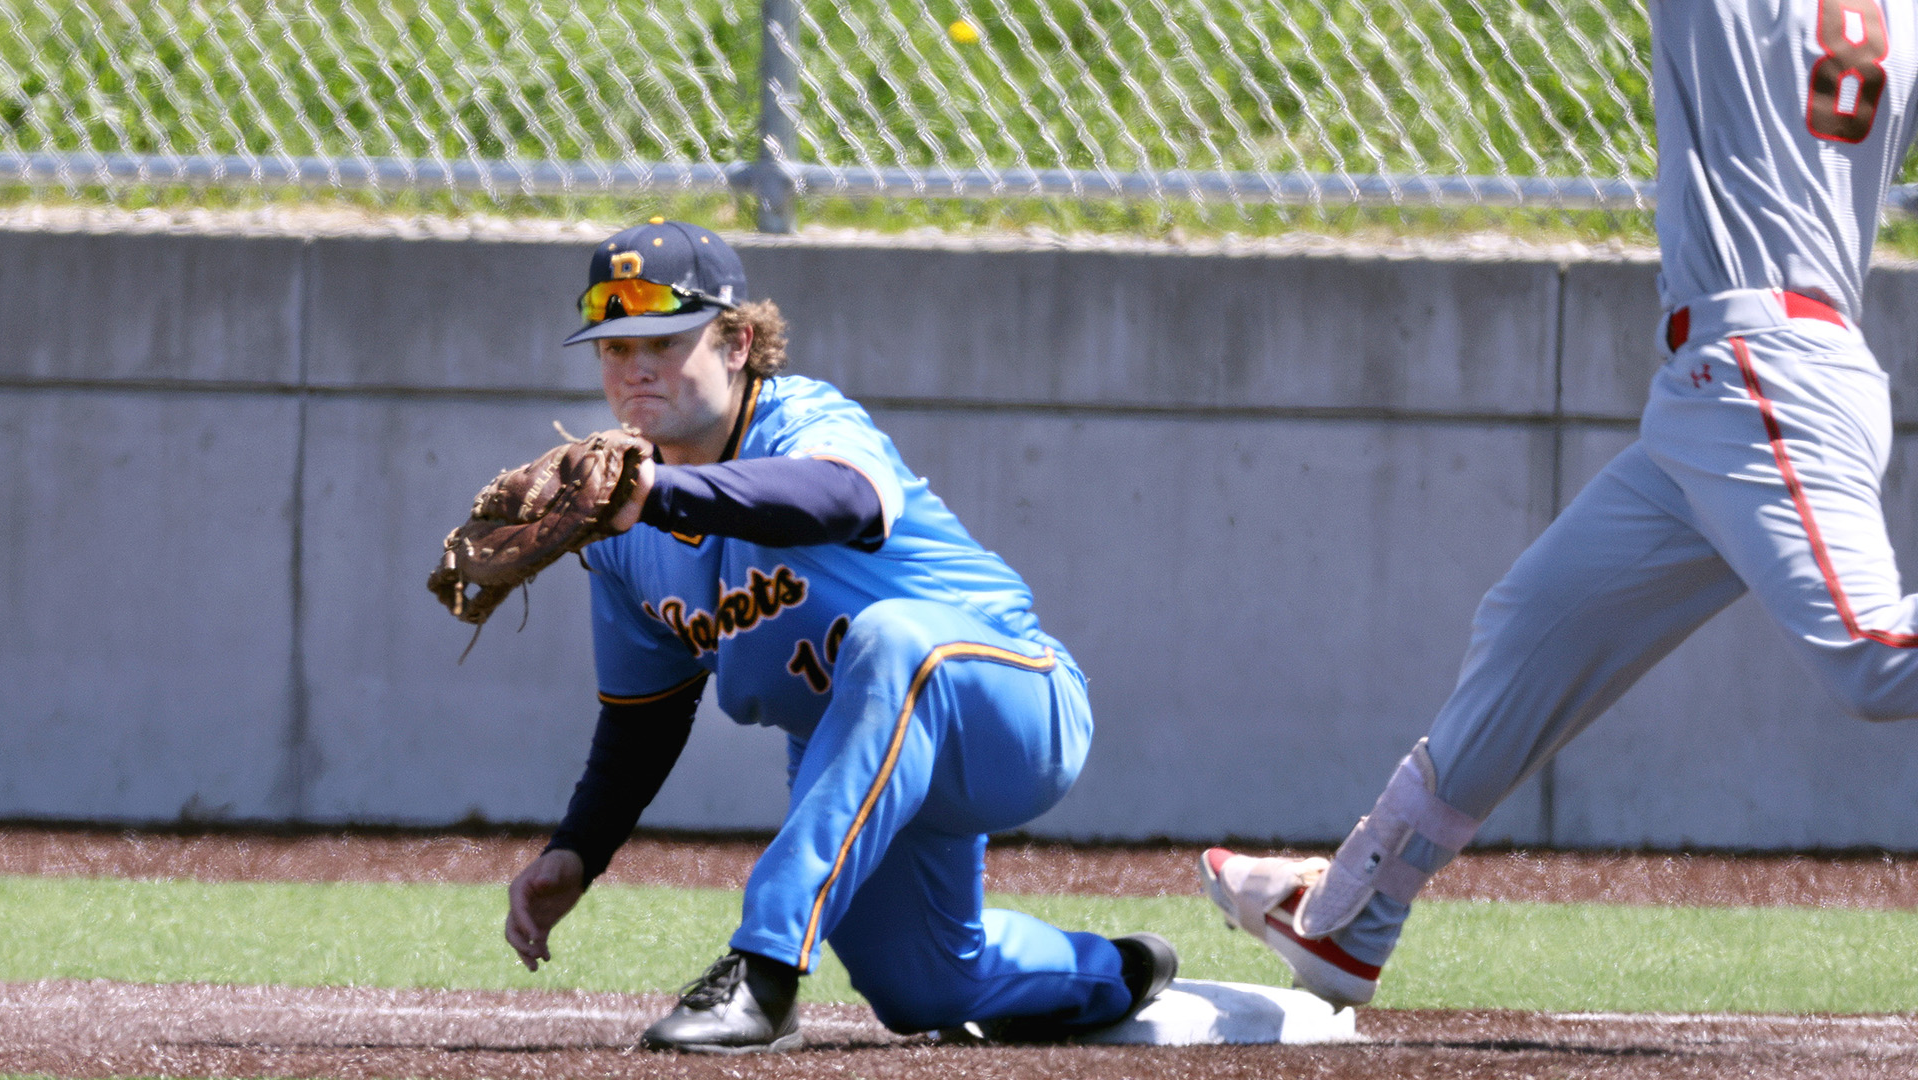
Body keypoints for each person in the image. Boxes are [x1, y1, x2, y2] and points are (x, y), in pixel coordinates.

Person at [1203, 0, 1918, 1008]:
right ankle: (1356, 919)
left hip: (1765, 379)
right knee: (1535, 623)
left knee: (1872, 656)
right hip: (1723, 392)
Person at [500, 218, 1176, 1053]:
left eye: (666, 340)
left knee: (894, 640)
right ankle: (1116, 973)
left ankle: (763, 972)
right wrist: (577, 852)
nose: (636, 367)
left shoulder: (802, 416)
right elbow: (646, 712)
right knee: (924, 985)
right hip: (868, 761)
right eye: (613, 346)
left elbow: (844, 498)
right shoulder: (623, 528)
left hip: (1010, 705)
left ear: (739, 341)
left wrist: (662, 497)